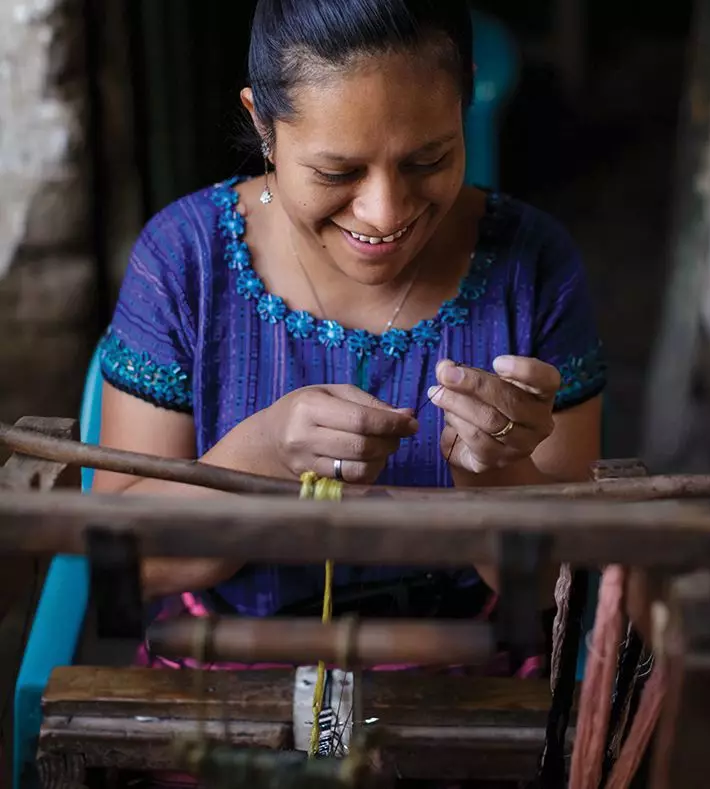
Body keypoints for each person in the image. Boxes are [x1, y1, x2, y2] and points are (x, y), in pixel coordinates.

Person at [94, 0, 605, 780]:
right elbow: (128, 568)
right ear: (262, 124)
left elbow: (566, 598)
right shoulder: (183, 263)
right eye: (337, 172)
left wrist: (493, 478)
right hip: (222, 696)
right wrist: (257, 459)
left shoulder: (532, 268)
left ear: (465, 96)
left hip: (468, 703)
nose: (385, 212)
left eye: (427, 160)